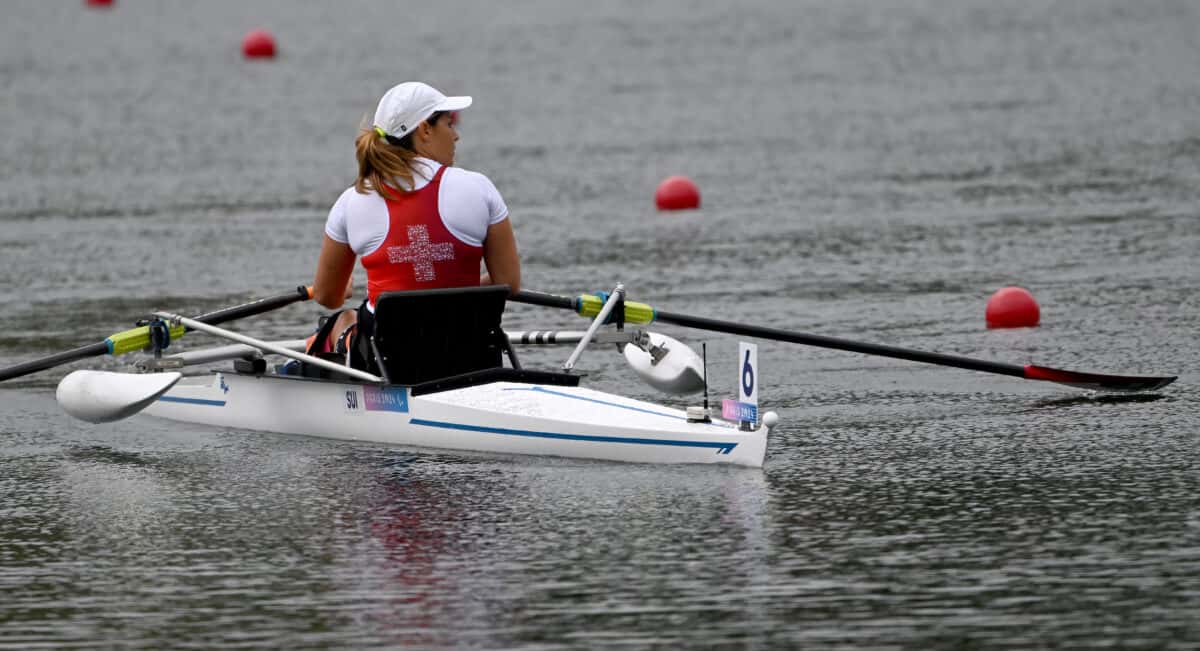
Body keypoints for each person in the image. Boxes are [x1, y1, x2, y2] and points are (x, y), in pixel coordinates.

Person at [309, 81, 520, 372]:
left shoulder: (352, 201)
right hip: (472, 361)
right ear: (424, 130)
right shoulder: (479, 188)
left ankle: (321, 362)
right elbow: (509, 283)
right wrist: (460, 291)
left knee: (342, 319)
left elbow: (326, 296)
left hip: (391, 368)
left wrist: (341, 291)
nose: (456, 135)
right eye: (449, 124)